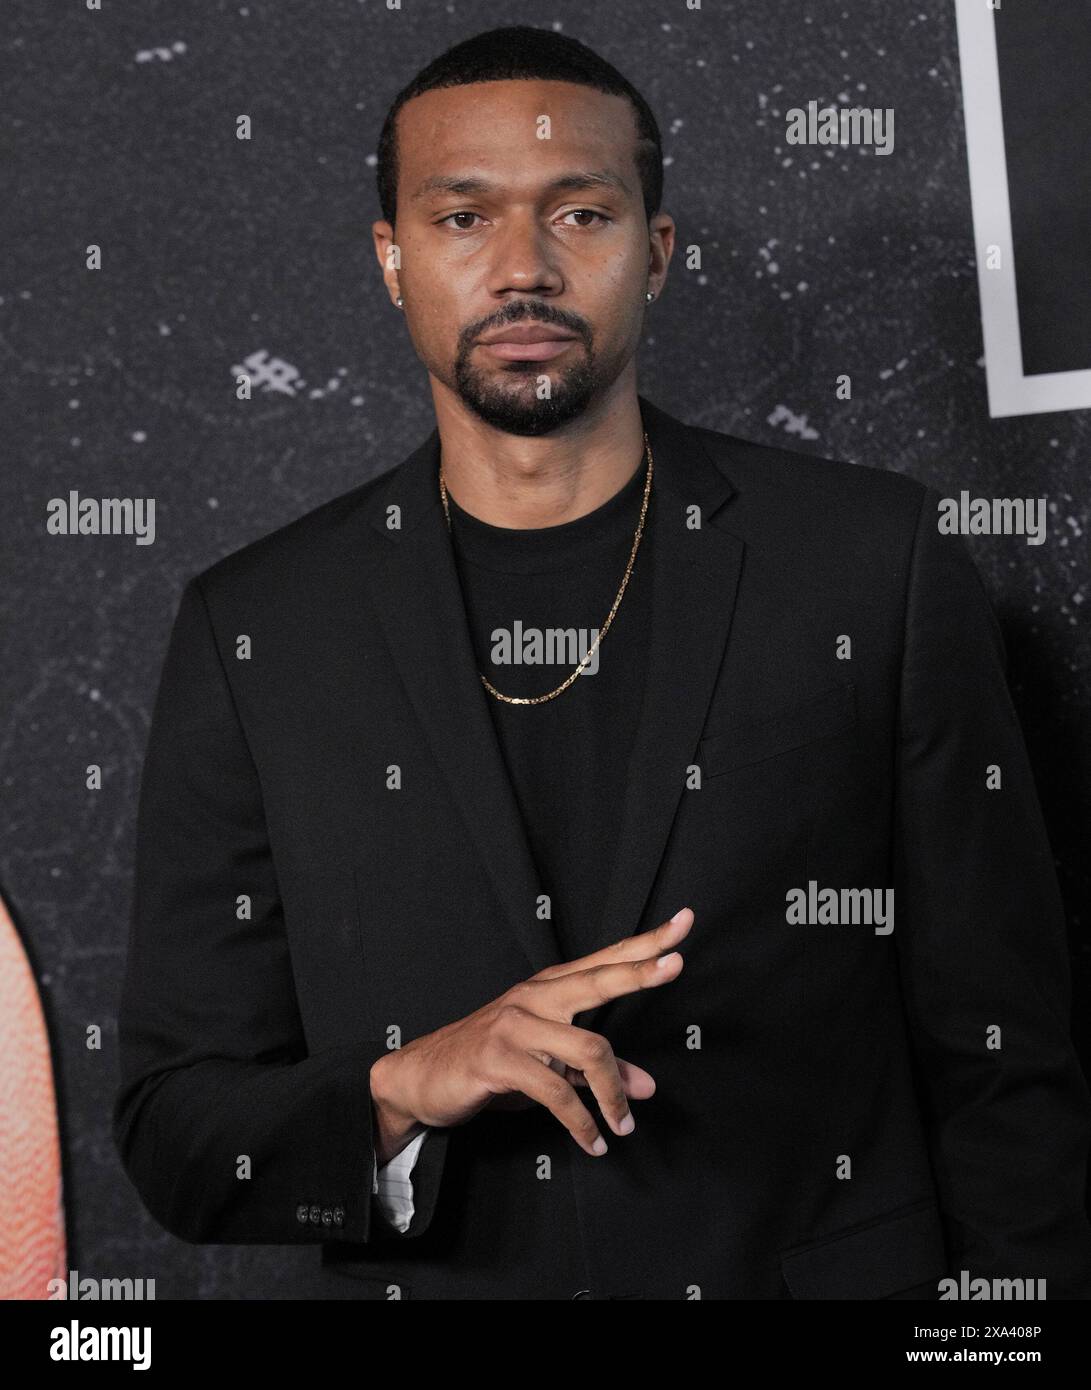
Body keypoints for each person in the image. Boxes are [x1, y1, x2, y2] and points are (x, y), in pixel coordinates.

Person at [113, 25, 1091, 1300]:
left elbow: (1003, 1060)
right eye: (462, 219)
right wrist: (406, 1084)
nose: (523, 268)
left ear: (657, 251)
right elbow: (175, 1129)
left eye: (579, 212)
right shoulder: (258, 629)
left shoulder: (870, 565)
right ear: (391, 259)